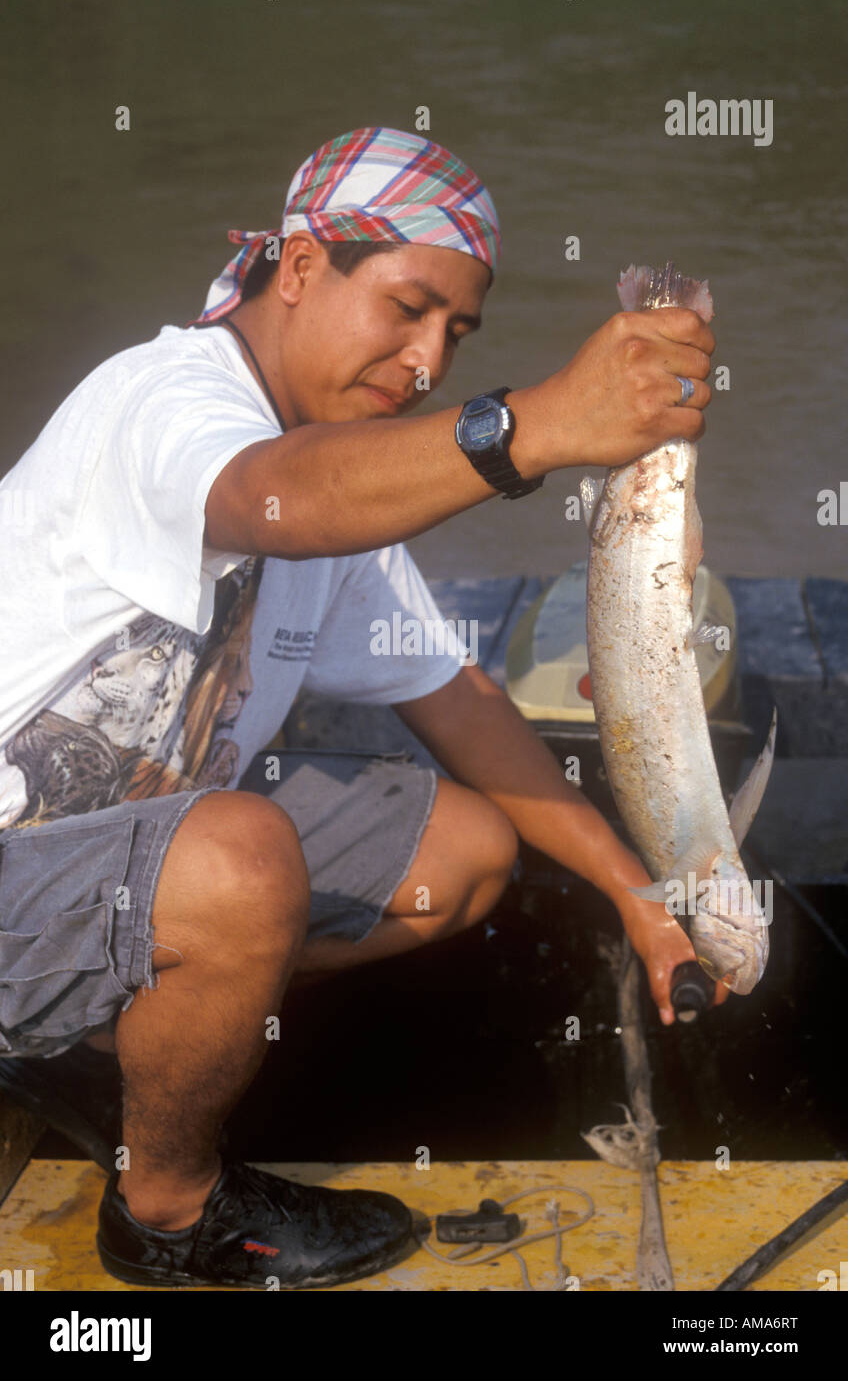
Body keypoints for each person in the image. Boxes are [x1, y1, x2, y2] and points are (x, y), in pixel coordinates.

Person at [0, 125, 725, 1289]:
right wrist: (532, 424)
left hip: (112, 884)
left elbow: (461, 700)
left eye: (456, 333)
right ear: (296, 269)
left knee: (469, 852)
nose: (428, 357)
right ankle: (168, 1215)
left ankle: (106, 1050)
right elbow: (274, 498)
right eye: (405, 307)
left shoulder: (334, 468)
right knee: (241, 860)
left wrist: (634, 891)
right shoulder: (162, 403)